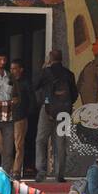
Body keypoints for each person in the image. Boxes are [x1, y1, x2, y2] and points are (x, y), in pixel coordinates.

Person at [33, 49, 77, 182]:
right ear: (62, 59)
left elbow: (35, 86)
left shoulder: (46, 72)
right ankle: (59, 173)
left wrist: (43, 68)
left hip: (47, 111)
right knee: (61, 143)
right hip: (64, 114)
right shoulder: (69, 74)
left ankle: (41, 170)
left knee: (41, 140)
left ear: (50, 59)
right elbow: (74, 95)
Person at [9, 58, 35, 178]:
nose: (12, 71)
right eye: (11, 68)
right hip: (7, 117)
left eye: (15, 68)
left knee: (18, 145)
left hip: (20, 116)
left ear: (21, 69)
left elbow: (31, 99)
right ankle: (8, 167)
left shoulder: (25, 83)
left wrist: (27, 113)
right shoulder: (8, 82)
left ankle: (16, 170)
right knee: (2, 143)